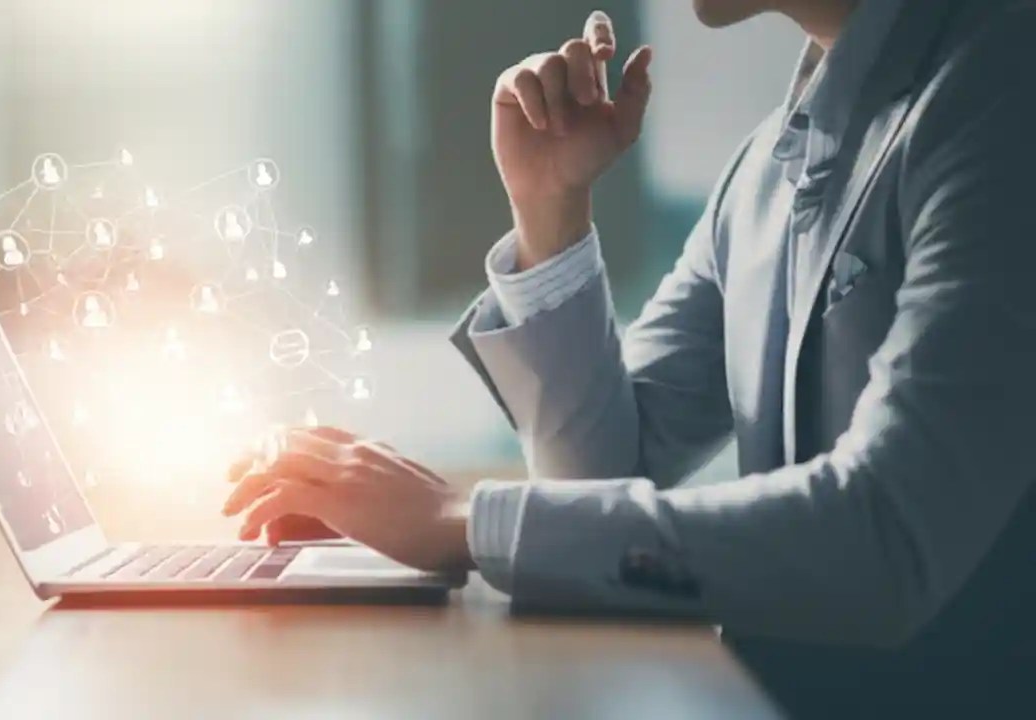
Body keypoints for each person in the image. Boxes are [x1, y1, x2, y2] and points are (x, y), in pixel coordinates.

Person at [225, 1, 1036, 715]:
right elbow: (599, 481)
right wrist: (551, 209)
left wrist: (460, 523)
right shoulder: (766, 166)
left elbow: (886, 540)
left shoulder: (1002, 93)